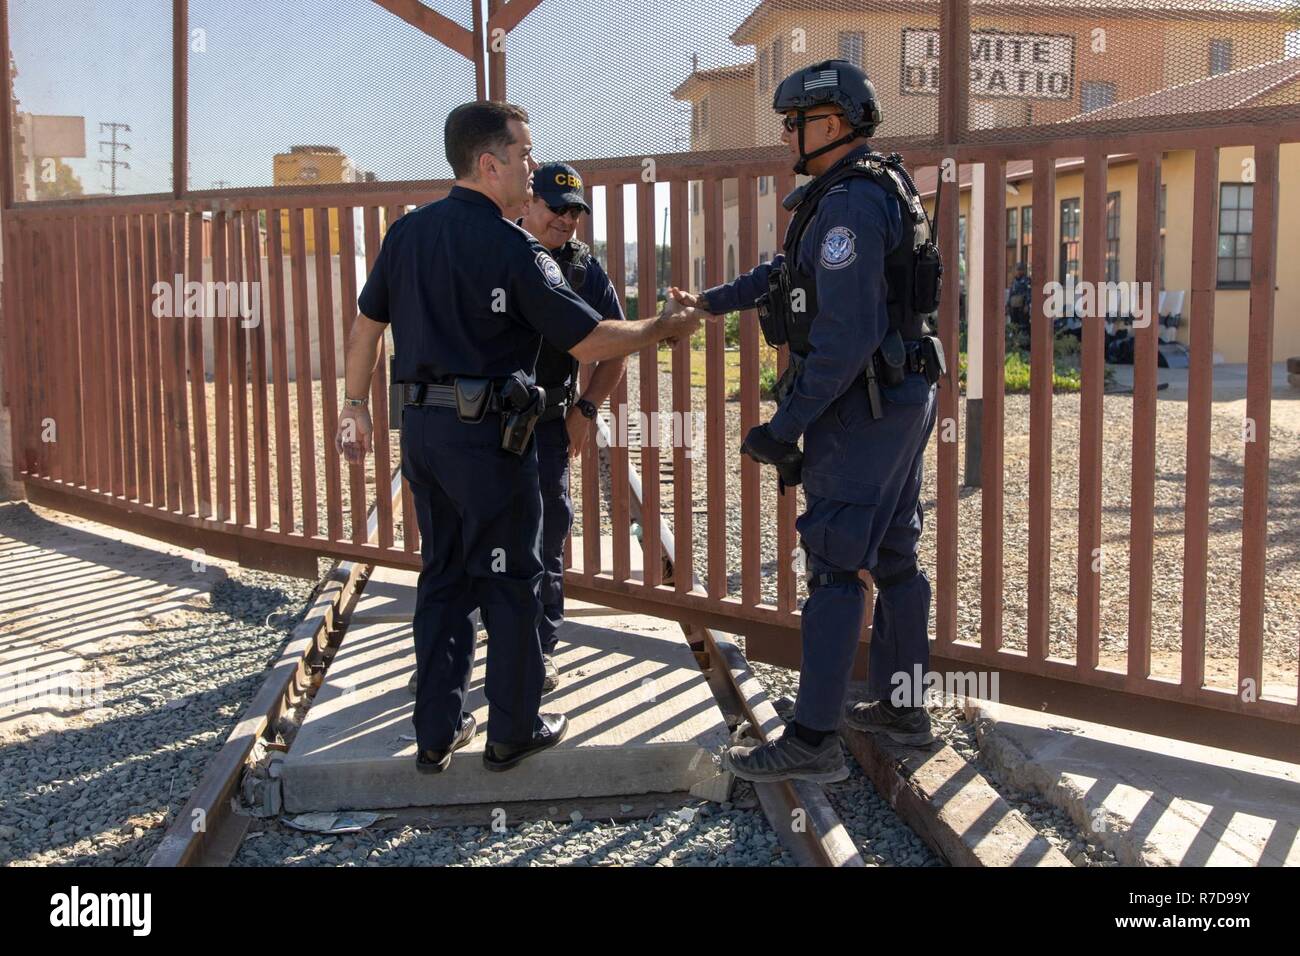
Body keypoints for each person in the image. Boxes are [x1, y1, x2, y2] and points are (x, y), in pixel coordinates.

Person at [336, 101, 703, 775]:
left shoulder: (407, 235)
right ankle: (512, 731)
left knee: (443, 577)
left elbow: (365, 331)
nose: (532, 168)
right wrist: (661, 328)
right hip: (490, 443)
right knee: (510, 579)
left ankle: (436, 734)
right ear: (489, 163)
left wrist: (353, 405)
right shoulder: (512, 247)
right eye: (525, 154)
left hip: (422, 435)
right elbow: (588, 337)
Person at [671, 59, 945, 784]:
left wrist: (786, 424)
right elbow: (784, 277)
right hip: (900, 395)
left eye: (794, 122)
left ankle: (813, 741)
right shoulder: (865, 189)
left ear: (829, 123)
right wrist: (710, 302)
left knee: (832, 567)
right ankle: (904, 710)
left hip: (864, 406)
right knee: (893, 556)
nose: (787, 134)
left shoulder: (849, 205)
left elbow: (844, 336)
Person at [518, 163, 627, 690]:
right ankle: (455, 651)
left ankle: (540, 649)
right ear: (527, 202)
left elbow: (616, 345)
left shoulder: (583, 271)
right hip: (484, 423)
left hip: (547, 424)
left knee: (549, 530)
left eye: (575, 211)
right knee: (474, 533)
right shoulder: (499, 252)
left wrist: (585, 410)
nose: (566, 220)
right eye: (555, 207)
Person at [1007, 261, 1032, 352]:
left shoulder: (1027, 280)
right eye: (1017, 269)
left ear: (1023, 270)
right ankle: (1015, 343)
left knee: (1024, 326)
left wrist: (1027, 304)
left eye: (1020, 269)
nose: (1018, 271)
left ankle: (1025, 345)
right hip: (1014, 307)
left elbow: (1029, 293)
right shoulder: (1014, 281)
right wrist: (1008, 305)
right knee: (1014, 326)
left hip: (1022, 307)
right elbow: (1011, 294)